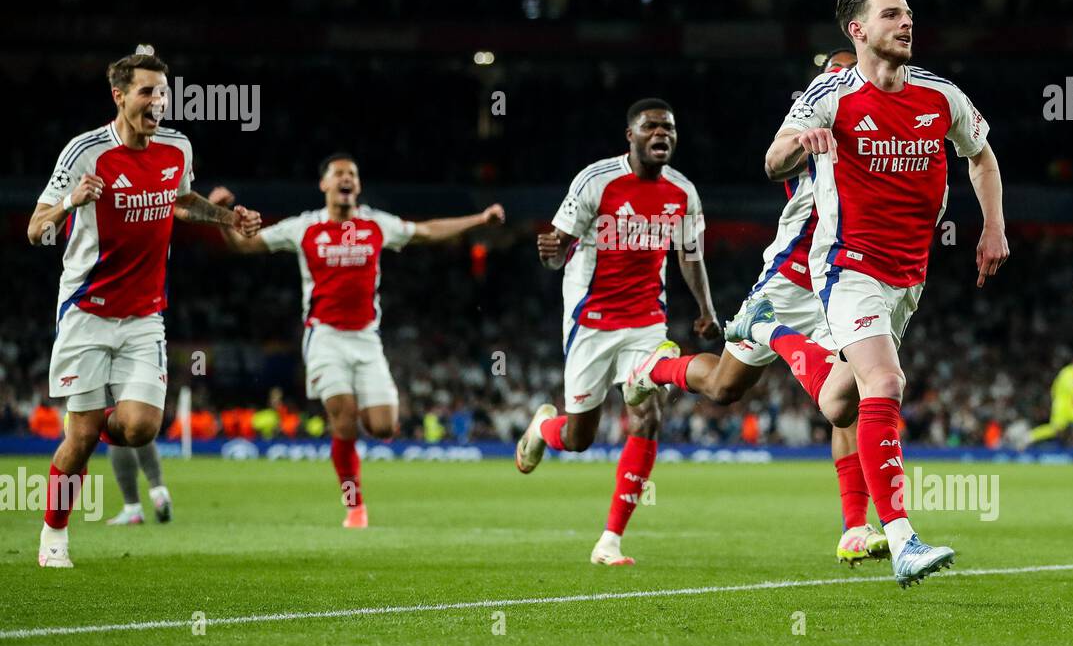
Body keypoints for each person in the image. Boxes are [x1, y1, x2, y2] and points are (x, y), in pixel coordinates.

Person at [727, 0, 1010, 587]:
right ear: (858, 31)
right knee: (886, 379)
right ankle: (902, 538)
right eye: (891, 15)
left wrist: (993, 226)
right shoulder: (830, 95)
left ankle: (770, 329)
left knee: (841, 400)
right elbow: (772, 159)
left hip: (910, 276)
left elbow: (981, 155)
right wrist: (801, 141)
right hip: (849, 265)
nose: (906, 23)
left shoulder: (941, 97)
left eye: (908, 14)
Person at [623, 49, 888, 565]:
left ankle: (855, 527)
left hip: (847, 284)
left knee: (849, 400)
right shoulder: (811, 127)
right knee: (724, 389)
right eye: (833, 76)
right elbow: (776, 160)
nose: (842, 82)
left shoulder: (885, 129)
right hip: (790, 282)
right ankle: (654, 368)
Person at [29, 51, 261, 567]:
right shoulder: (85, 153)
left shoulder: (177, 146)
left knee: (140, 429)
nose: (158, 101)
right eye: (147, 92)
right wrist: (72, 202)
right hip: (87, 311)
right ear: (119, 96)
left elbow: (181, 200)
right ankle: (53, 536)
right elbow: (35, 228)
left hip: (144, 317)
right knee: (83, 439)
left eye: (163, 92)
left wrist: (228, 217)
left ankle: (98, 417)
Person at [207, 155, 503, 527]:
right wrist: (221, 216)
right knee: (344, 417)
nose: (346, 179)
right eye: (339, 174)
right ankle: (355, 505)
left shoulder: (377, 224)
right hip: (325, 337)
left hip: (366, 339)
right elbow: (244, 246)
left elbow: (427, 231)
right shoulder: (304, 227)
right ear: (324, 185)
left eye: (352, 175)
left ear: (358, 187)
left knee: (382, 427)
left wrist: (479, 220)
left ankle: (358, 434)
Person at [515, 98, 716, 566]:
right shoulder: (595, 181)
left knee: (648, 418)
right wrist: (547, 254)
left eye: (669, 128)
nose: (661, 134)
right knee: (580, 437)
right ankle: (544, 429)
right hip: (592, 322)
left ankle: (610, 541)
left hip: (647, 323)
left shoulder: (683, 192)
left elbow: (690, 254)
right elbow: (555, 252)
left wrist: (706, 309)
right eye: (651, 127)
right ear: (631, 135)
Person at [1025, 355, 1073, 459]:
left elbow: (1055, 389)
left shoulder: (1072, 372)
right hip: (1063, 406)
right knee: (1056, 429)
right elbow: (1071, 388)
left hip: (1068, 405)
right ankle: (1030, 436)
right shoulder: (1070, 372)